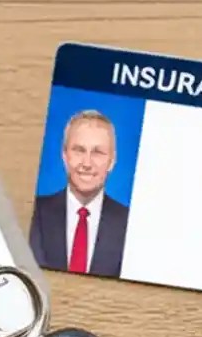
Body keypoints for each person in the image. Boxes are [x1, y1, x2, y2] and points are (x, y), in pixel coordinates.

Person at [28, 109, 130, 277]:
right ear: (64, 156)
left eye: (97, 152)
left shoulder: (129, 224)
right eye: (79, 150)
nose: (87, 163)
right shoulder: (34, 212)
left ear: (111, 161)